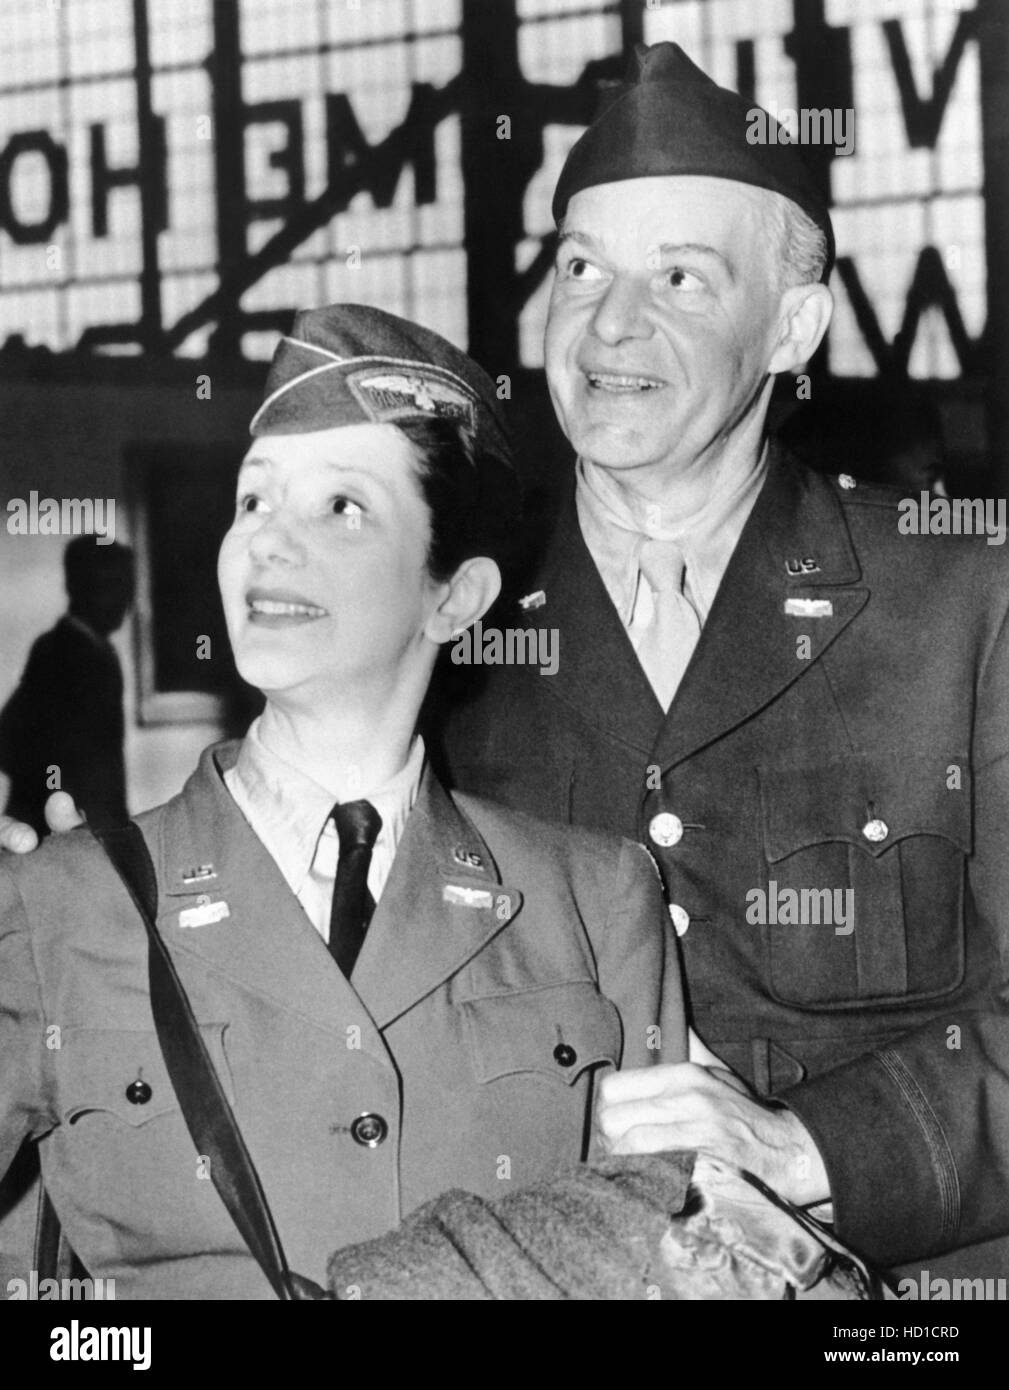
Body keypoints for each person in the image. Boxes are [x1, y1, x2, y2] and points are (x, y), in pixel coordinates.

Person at [430, 43, 1009, 1283]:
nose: (609, 321)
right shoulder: (442, 627)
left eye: (680, 277)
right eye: (579, 266)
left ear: (791, 323)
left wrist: (817, 1148)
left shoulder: (965, 602)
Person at [0, 304, 684, 1299]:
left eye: (341, 507)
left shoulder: (593, 899)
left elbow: (659, 1239)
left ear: (453, 596)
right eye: (253, 500)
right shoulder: (55, 902)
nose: (267, 543)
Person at [0, 536, 134, 837]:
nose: (123, 600)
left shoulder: (101, 653)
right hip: (54, 828)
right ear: (77, 588)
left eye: (125, 586)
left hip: (90, 826)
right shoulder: (57, 651)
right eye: (108, 586)